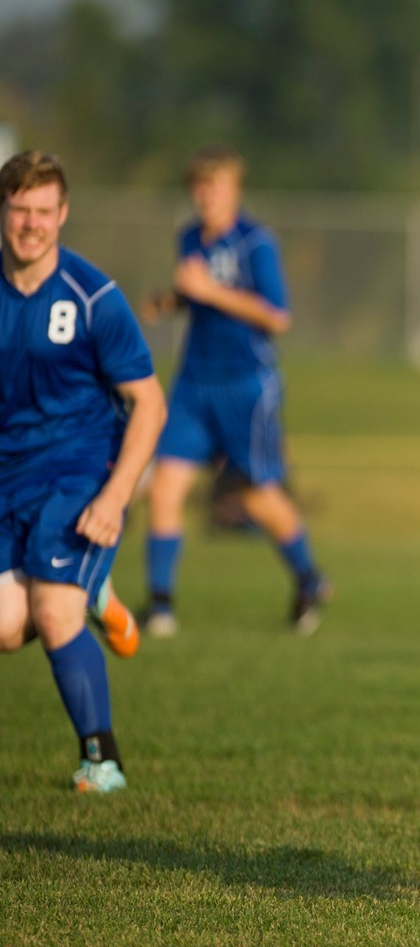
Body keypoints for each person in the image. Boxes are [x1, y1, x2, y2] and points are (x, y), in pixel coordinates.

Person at [0, 150, 167, 791]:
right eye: (20, 210)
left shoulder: (93, 296)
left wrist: (117, 494)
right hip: (9, 479)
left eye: (45, 211)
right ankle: (93, 589)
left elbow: (149, 403)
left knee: (54, 612)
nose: (32, 224)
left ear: (63, 214)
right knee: (10, 629)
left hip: (78, 470)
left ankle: (103, 761)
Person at [140, 146, 329, 635]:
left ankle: (309, 578)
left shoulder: (255, 243)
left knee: (257, 495)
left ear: (235, 191)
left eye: (218, 185)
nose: (208, 196)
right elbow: (195, 292)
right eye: (200, 186)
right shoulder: (189, 238)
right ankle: (160, 606)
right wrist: (170, 300)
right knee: (164, 487)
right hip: (193, 382)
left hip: (246, 384)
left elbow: (277, 315)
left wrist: (208, 293)